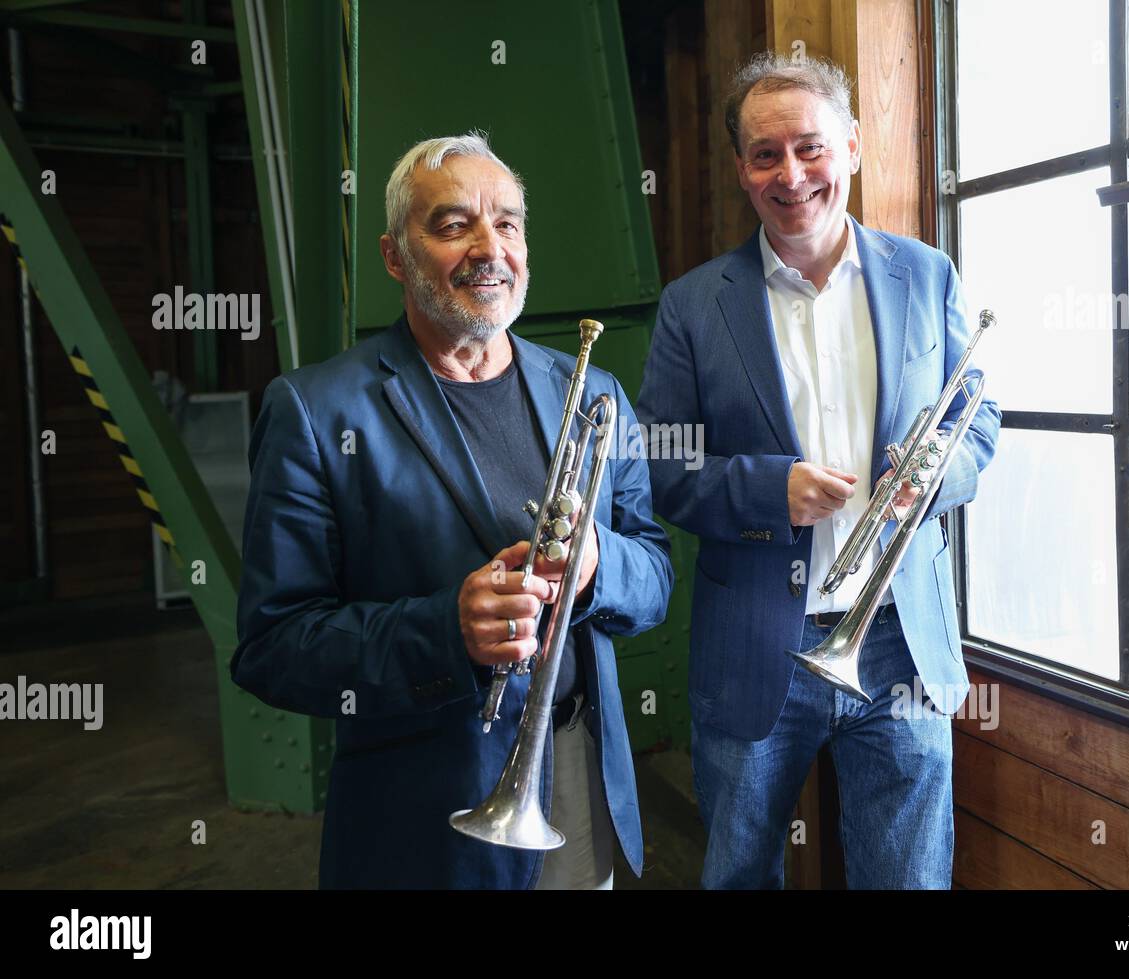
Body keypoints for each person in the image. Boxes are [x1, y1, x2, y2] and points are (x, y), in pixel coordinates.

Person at [231, 132, 672, 889]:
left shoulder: (593, 392)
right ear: (395, 256)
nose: (488, 247)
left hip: (575, 770)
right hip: (425, 806)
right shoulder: (314, 409)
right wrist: (443, 629)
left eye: (507, 222)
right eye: (452, 224)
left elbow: (657, 576)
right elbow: (273, 646)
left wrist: (599, 565)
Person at [635, 53, 1000, 889]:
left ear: (855, 147)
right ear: (740, 169)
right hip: (758, 640)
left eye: (811, 147)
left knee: (907, 878)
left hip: (902, 642)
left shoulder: (926, 274)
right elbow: (659, 461)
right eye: (765, 155)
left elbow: (977, 420)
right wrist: (770, 488)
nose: (790, 174)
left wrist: (934, 473)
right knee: (737, 873)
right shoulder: (694, 304)